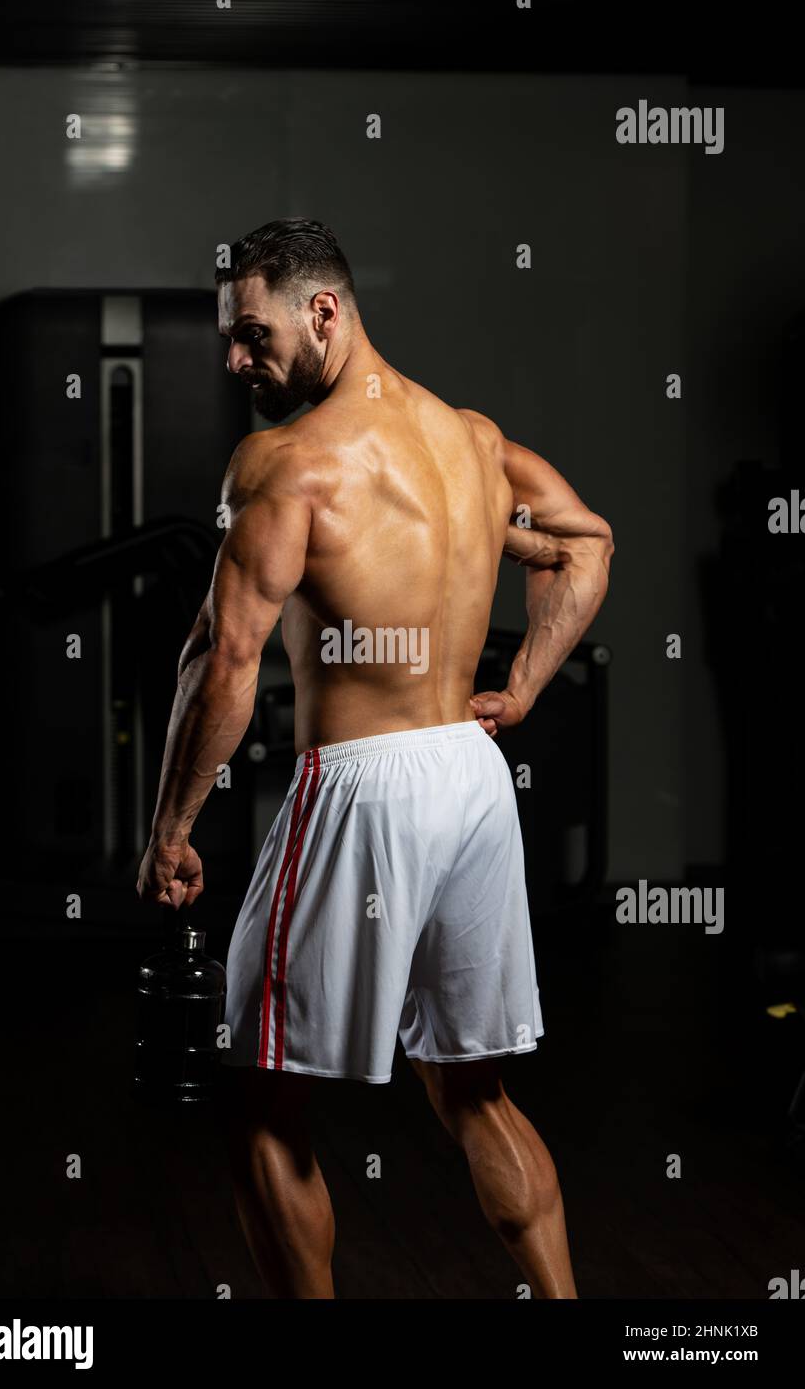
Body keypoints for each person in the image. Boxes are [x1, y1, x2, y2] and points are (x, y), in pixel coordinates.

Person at [136, 218, 614, 1298]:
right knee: (471, 1091)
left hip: (362, 787)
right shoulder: (472, 440)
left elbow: (223, 658)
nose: (234, 361)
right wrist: (523, 686)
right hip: (471, 779)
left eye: (250, 337)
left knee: (260, 1093)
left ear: (323, 311)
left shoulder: (283, 463)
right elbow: (585, 542)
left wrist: (170, 828)